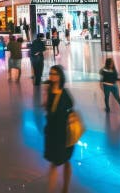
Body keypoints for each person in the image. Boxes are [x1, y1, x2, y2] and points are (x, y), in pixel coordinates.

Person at [43, 65, 74, 193]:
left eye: (55, 74)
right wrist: (46, 95)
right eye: (51, 73)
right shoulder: (49, 91)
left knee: (63, 161)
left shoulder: (65, 93)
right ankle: (62, 189)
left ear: (60, 76)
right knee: (56, 162)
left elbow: (70, 108)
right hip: (52, 132)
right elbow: (47, 108)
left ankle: (65, 188)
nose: (52, 76)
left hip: (64, 133)